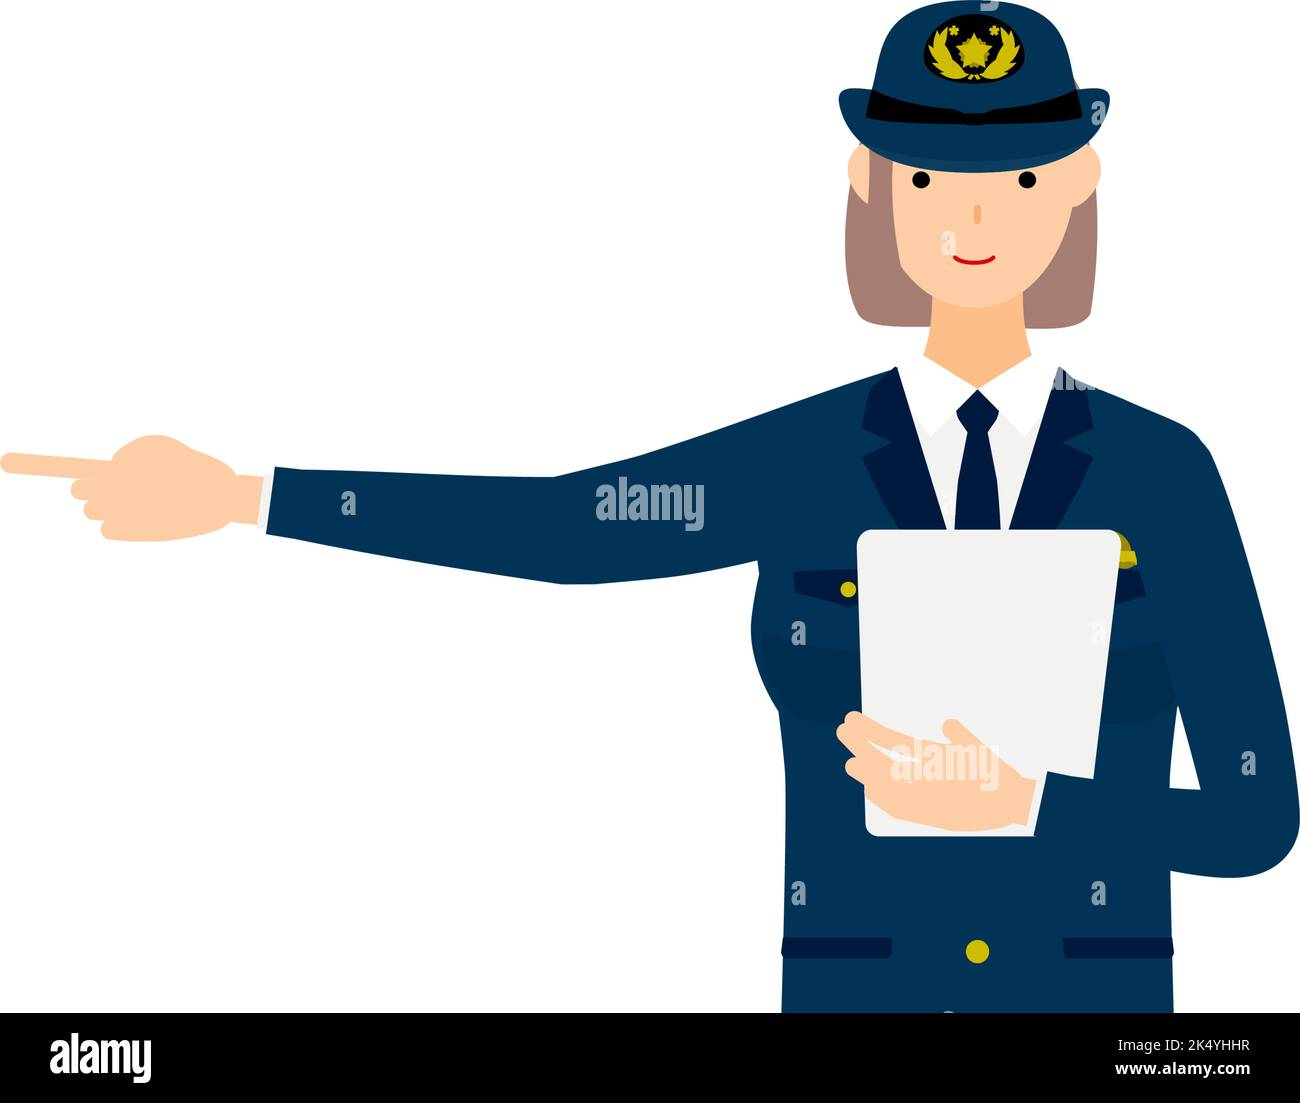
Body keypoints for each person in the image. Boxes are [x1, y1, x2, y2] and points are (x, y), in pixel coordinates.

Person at [4, 2, 1296, 1011]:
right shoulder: (805, 463)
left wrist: (1024, 803)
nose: (970, 217)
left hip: (1092, 1008)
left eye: (1016, 179)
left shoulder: (1159, 473)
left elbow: (1252, 819)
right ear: (868, 184)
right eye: (924, 177)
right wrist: (246, 495)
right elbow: (572, 528)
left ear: (1077, 186)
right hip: (861, 989)